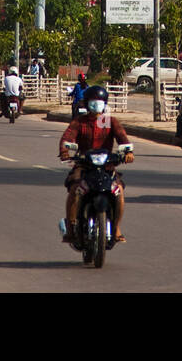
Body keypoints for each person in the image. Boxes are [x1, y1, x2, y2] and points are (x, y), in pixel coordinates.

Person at [59, 85, 134, 243]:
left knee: (118, 191)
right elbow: (68, 137)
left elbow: (122, 136)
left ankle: (116, 228)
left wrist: (128, 151)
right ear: (86, 103)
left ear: (105, 103)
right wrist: (65, 150)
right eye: (93, 101)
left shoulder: (107, 121)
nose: (96, 104)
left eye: (99, 101)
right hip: (84, 165)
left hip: (106, 166)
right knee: (74, 189)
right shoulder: (79, 122)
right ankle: (71, 228)